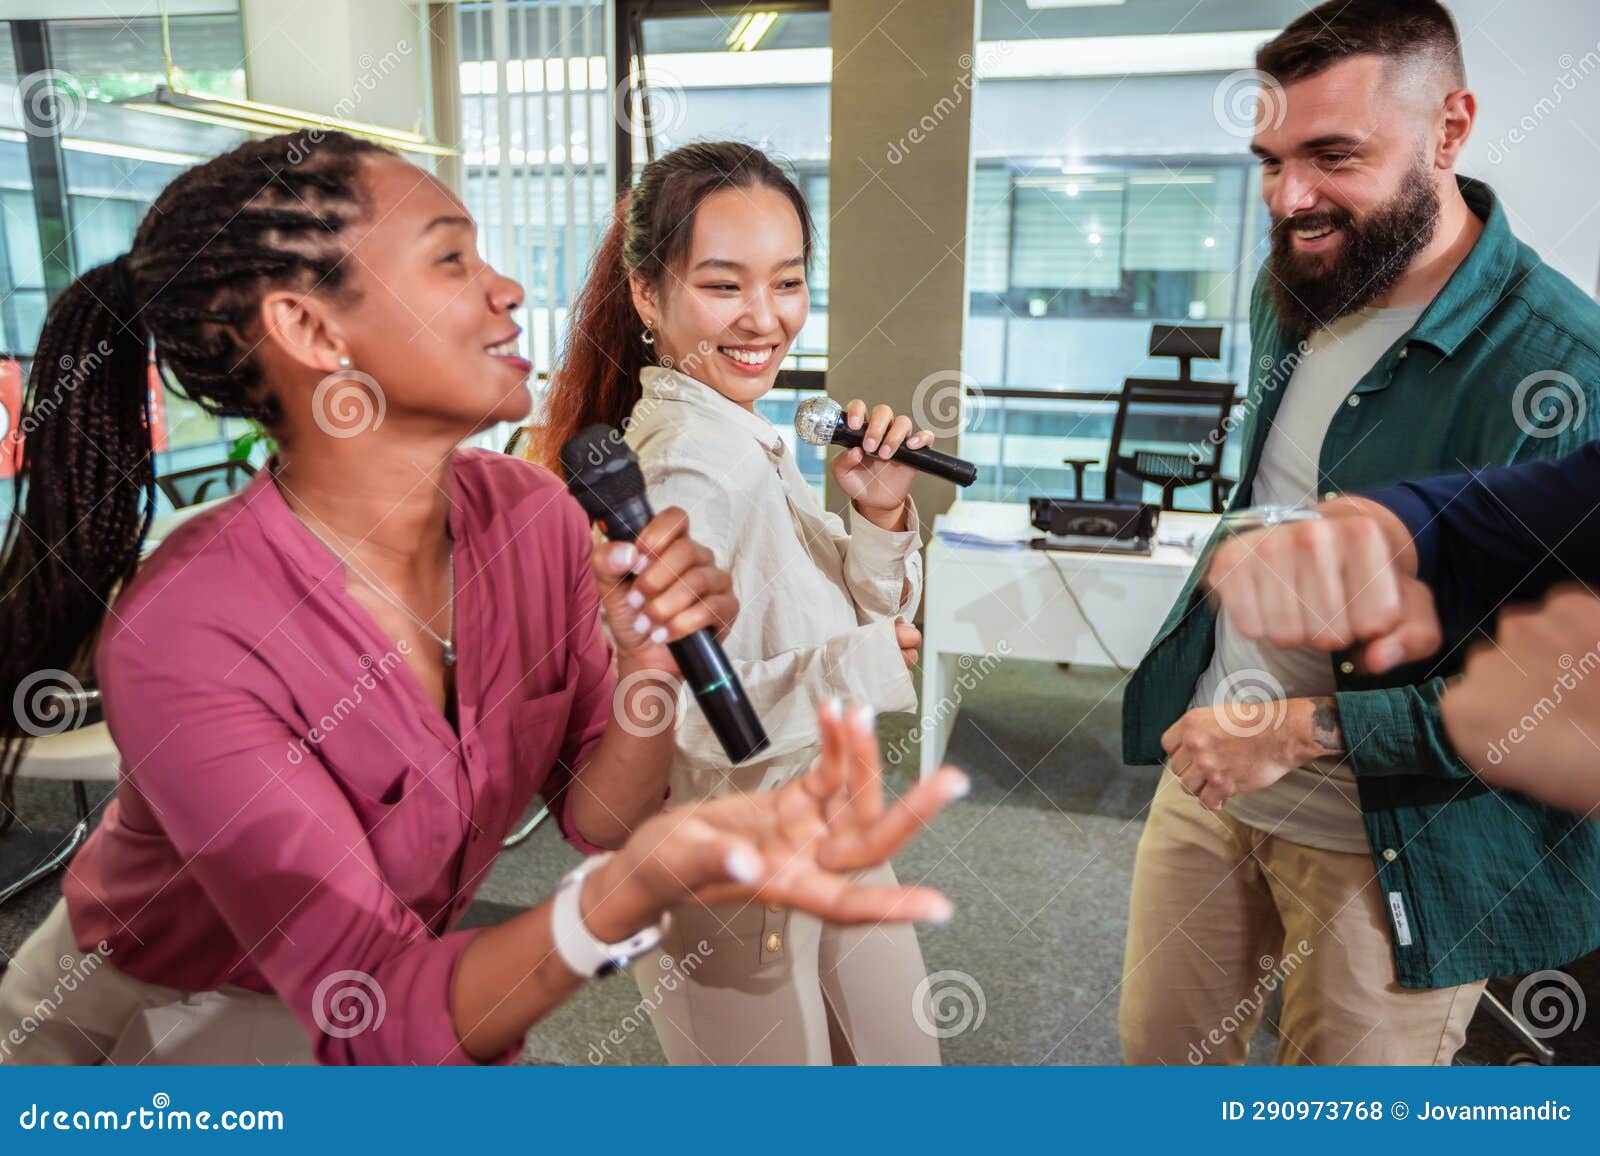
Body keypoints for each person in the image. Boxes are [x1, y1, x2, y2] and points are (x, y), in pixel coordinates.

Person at [0, 131, 964, 1066]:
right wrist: (617, 902)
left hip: (400, 996)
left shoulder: (537, 516)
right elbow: (365, 1004)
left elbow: (598, 813)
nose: (509, 290)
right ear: (309, 328)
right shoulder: (187, 628)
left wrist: (646, 668)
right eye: (452, 261)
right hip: (152, 1029)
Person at [1118, 0, 1600, 1066]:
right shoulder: (1295, 284)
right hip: (1209, 785)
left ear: (1450, 128)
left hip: (1392, 850)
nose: (1291, 199)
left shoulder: (1565, 370)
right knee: (1156, 1071)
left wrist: (1297, 733)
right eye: (1271, 159)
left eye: (1333, 156)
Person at [534, 141, 945, 1065]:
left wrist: (878, 513)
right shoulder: (686, 462)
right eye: (724, 287)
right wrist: (865, 663)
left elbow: (828, 601)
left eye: (789, 282)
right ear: (649, 294)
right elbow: (680, 719)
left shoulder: (738, 428)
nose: (766, 319)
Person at [1199, 440, 1600, 817]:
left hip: (1386, 824)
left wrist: (1302, 731)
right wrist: (1383, 532)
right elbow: (1466, 524)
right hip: (1214, 767)